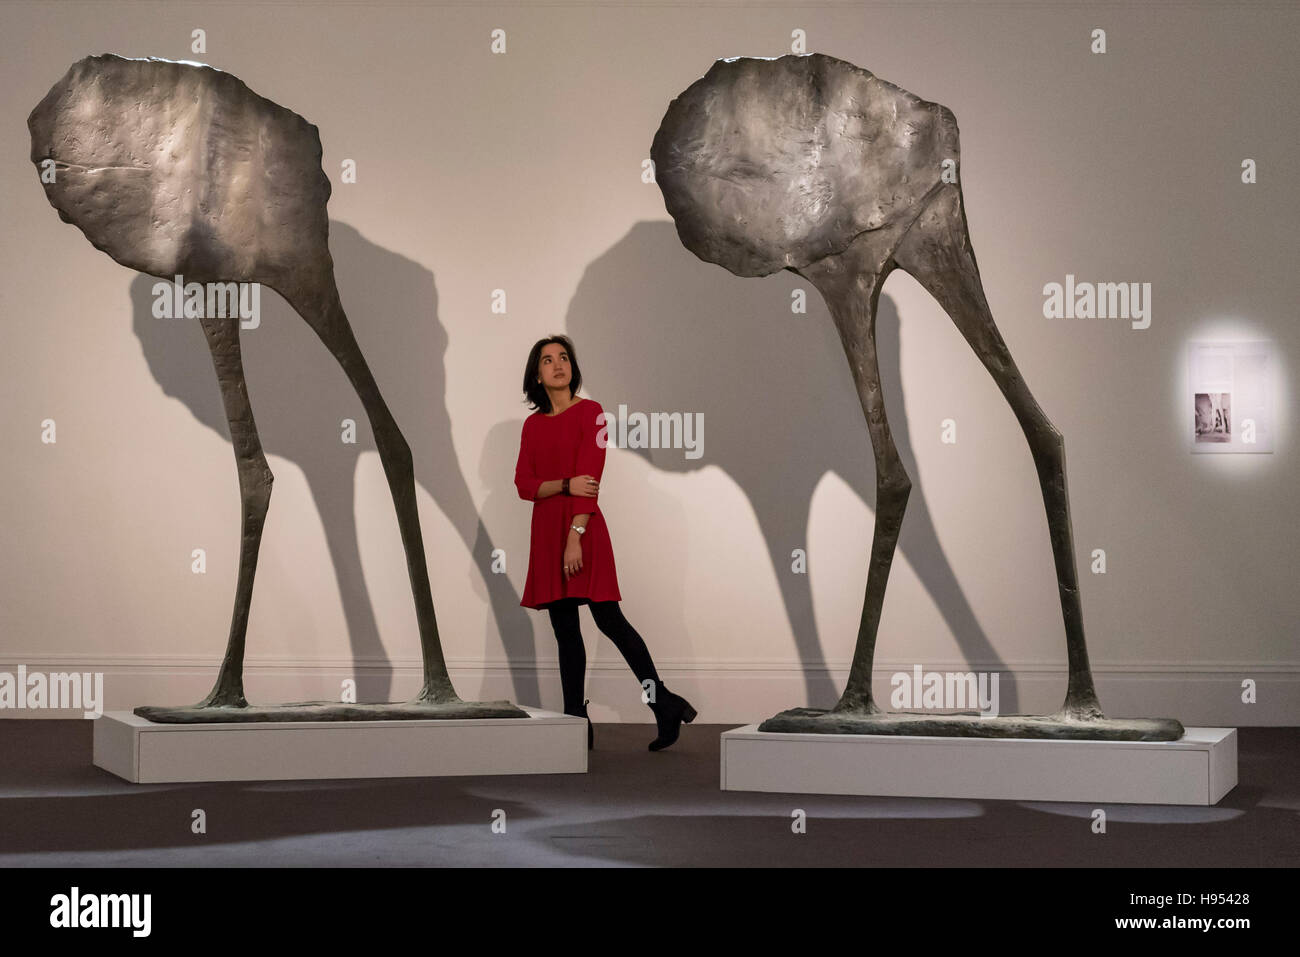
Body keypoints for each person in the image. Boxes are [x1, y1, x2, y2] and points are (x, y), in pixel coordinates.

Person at [513, 334, 696, 751]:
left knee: (609, 621)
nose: (558, 365)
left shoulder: (591, 414)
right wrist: (563, 482)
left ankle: (659, 699)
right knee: (565, 630)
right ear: (537, 375)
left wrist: (575, 535)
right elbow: (524, 485)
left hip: (582, 528)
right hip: (545, 533)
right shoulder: (533, 425)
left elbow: (590, 479)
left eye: (564, 358)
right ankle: (576, 719)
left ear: (572, 368)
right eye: (547, 360)